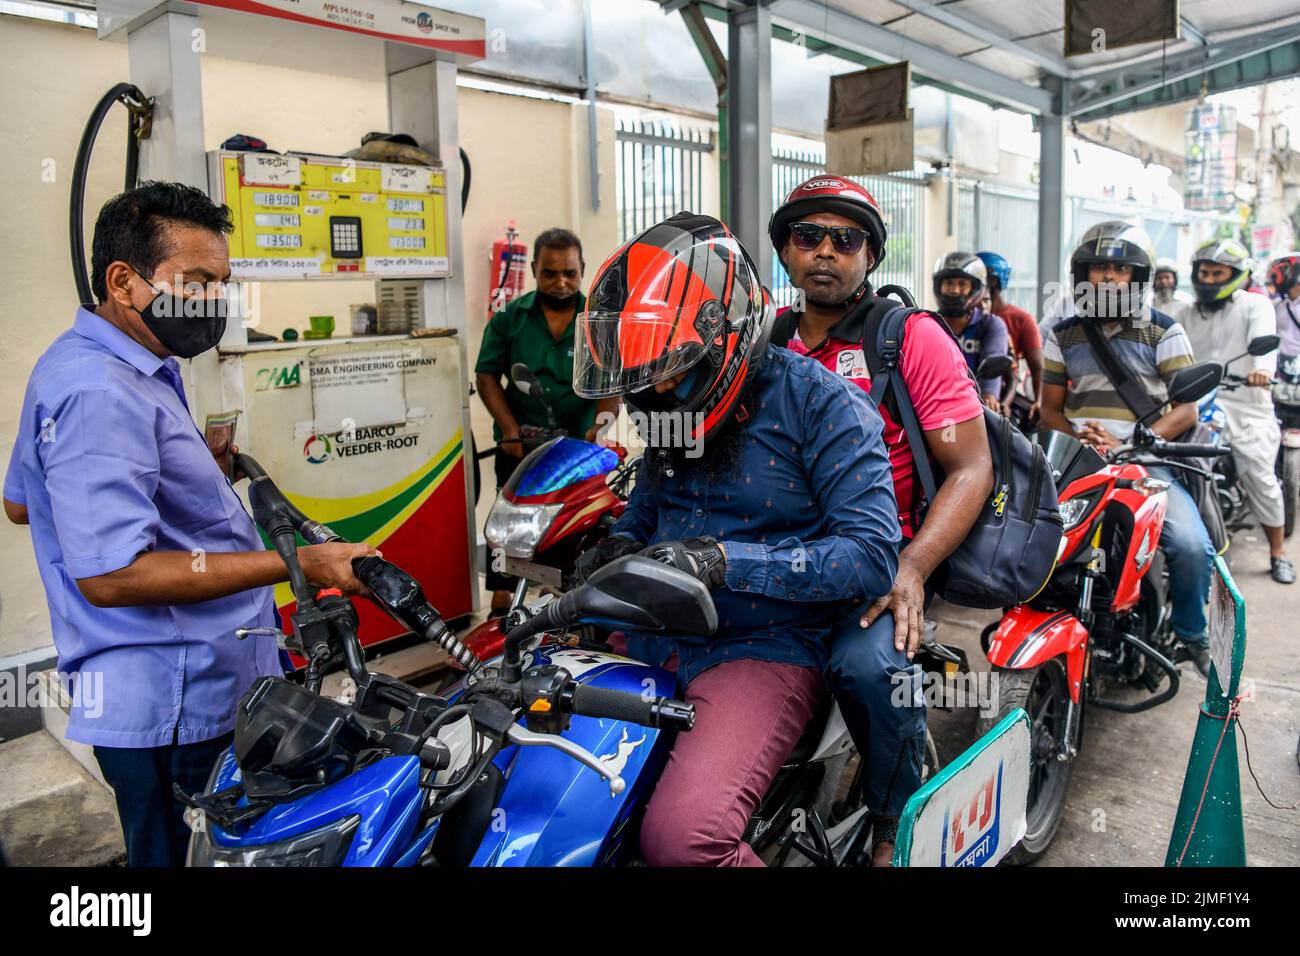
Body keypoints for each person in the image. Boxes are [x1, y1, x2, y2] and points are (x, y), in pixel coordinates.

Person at [2, 182, 373, 866]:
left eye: (223, 283)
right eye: (196, 282)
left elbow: (23, 503)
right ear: (124, 281)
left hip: (183, 685)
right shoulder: (96, 392)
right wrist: (301, 565)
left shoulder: (102, 365)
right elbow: (111, 574)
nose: (215, 301)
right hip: (170, 704)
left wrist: (178, 468)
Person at [570, 212, 901, 867]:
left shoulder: (825, 407)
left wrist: (727, 562)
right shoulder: (669, 410)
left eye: (674, 370)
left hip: (758, 646)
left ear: (727, 340)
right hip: (647, 636)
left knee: (684, 841)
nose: (657, 392)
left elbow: (868, 556)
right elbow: (650, 508)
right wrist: (614, 546)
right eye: (643, 377)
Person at [764, 175, 993, 864]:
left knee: (870, 669)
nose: (826, 252)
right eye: (809, 237)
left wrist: (913, 567)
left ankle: (898, 818)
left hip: (876, 559)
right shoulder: (767, 338)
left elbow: (971, 467)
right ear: (785, 251)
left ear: (870, 255)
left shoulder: (910, 339)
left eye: (846, 238)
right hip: (772, 554)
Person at [1039, 221, 1215, 676]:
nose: (1110, 277)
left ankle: (1192, 633)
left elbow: (1186, 411)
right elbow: (1050, 409)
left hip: (1146, 463)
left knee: (1192, 546)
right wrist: (1079, 440)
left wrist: (1128, 442)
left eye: (1121, 268)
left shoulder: (1164, 331)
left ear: (1138, 277)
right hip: (1079, 465)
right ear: (1083, 274)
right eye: (1100, 268)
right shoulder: (1062, 334)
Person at [474, 227, 619, 613]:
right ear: (535, 270)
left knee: (574, 524)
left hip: (577, 449)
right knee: (511, 518)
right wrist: (507, 427)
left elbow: (612, 385)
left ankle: (560, 602)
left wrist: (599, 429)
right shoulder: (508, 318)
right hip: (519, 442)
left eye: (569, 273)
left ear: (583, 269)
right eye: (550, 273)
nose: (561, 282)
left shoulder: (600, 321)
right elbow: (487, 375)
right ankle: (502, 596)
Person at [1174, 240, 1294, 584]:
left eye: (1217, 273)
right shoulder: (1183, 311)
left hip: (1245, 402)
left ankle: (1277, 553)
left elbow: (1264, 343)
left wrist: (1262, 371)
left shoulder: (1255, 305)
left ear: (1237, 276)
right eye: (1204, 272)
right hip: (1194, 403)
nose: (1209, 279)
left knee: (1259, 473)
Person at [932, 252, 1009, 410]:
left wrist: (989, 395)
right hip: (932, 405)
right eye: (949, 283)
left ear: (975, 288)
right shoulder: (928, 325)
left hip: (975, 407)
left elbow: (993, 358)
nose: (954, 290)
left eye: (962, 284)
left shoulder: (991, 325)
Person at [977, 251, 1044, 419]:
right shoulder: (963, 318)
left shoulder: (1022, 319)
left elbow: (1037, 367)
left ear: (992, 280)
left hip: (1003, 399)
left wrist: (1039, 401)